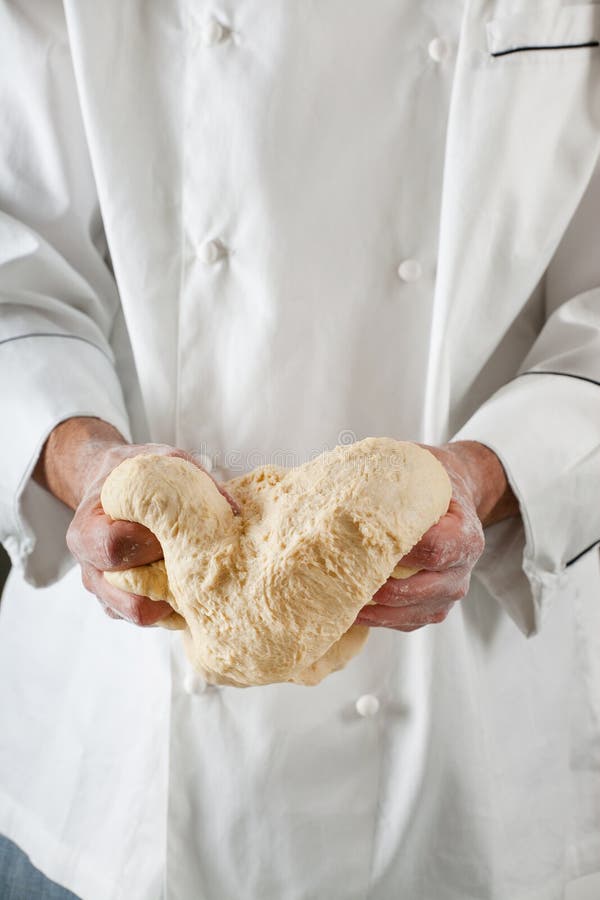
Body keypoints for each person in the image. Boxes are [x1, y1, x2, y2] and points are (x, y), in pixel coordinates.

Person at [0, 2, 599, 898]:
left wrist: (484, 475)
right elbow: (16, 274)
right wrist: (86, 465)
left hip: (475, 738)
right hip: (129, 748)